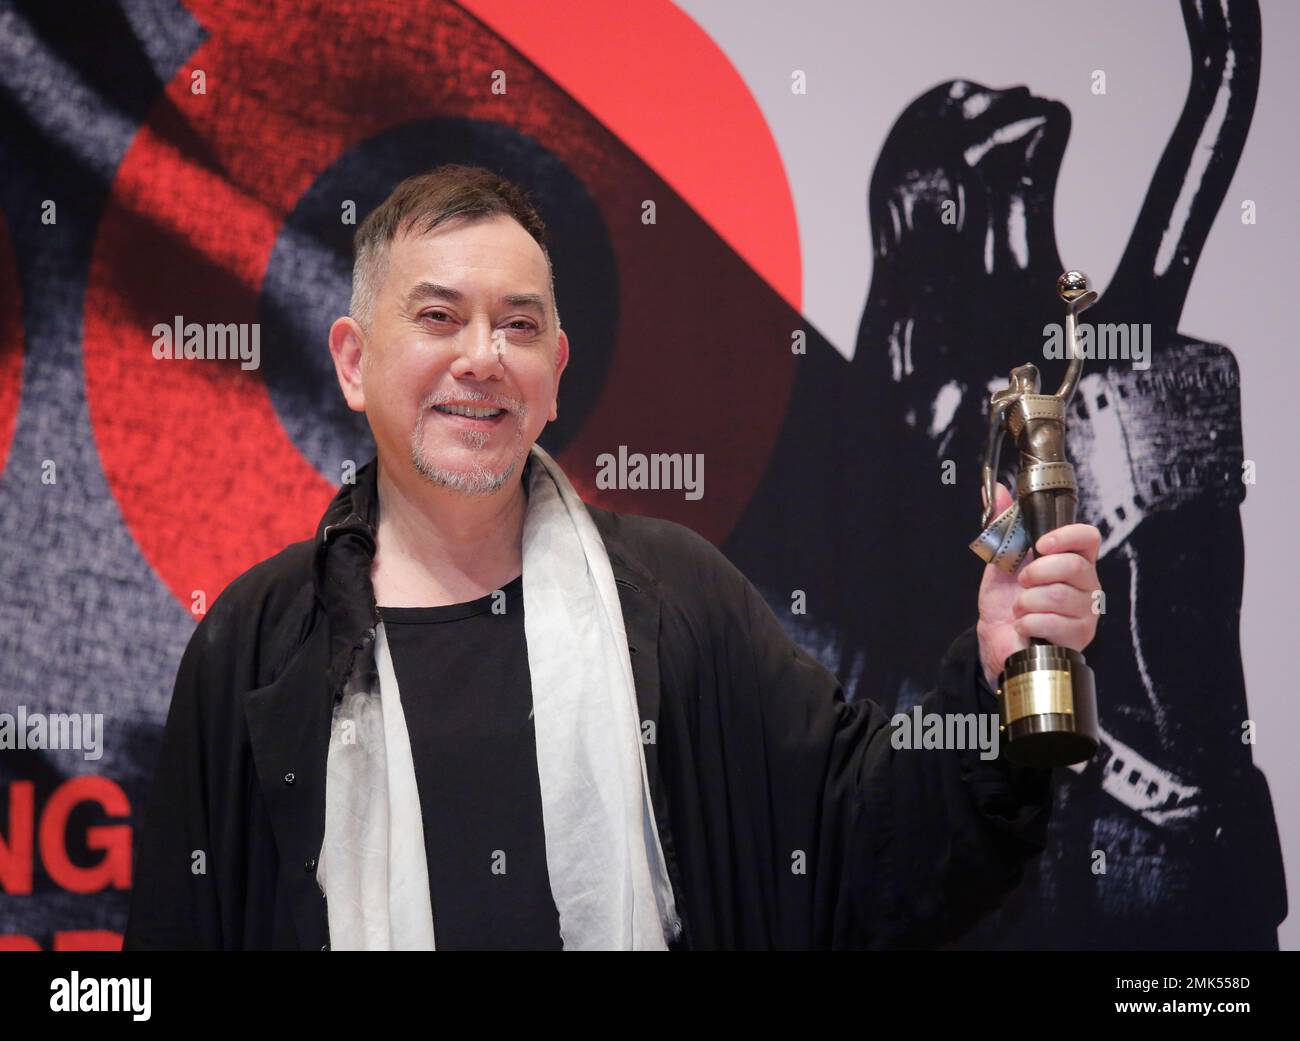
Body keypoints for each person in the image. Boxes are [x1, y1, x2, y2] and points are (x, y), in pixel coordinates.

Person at [123, 163, 1102, 951]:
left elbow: (869, 857)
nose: (481, 356)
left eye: (518, 324)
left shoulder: (678, 600)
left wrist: (994, 675)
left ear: (555, 370)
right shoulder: (256, 648)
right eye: (436, 317)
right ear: (350, 360)